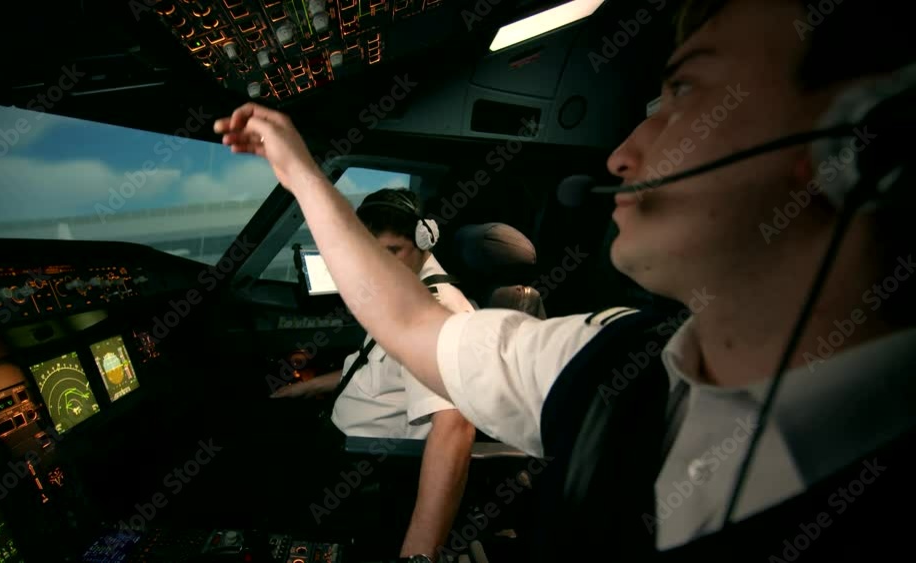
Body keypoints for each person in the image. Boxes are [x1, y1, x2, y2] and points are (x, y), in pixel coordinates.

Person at [216, 0, 916, 558]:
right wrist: (301, 172)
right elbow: (405, 322)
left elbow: (443, 404)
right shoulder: (604, 355)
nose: (620, 156)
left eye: (685, 90)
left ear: (869, 142)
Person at [271, 188, 477, 561]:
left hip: (365, 466)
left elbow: (455, 429)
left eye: (392, 251)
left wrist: (417, 554)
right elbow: (374, 370)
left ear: (423, 241)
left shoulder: (435, 316)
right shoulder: (405, 289)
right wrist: (308, 387)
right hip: (341, 442)